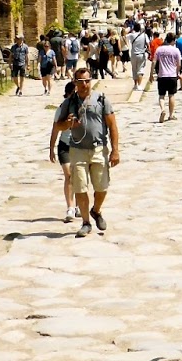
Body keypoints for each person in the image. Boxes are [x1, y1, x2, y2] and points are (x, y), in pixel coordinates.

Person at [48, 68, 119, 236]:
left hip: (98, 148)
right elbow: (58, 125)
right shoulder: (69, 102)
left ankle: (96, 210)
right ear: (75, 83)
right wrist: (68, 124)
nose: (84, 85)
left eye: (87, 81)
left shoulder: (101, 99)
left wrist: (115, 150)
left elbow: (112, 125)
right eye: (80, 82)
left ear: (91, 81)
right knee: (80, 187)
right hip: (77, 150)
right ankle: (86, 222)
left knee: (102, 186)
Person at [54, 79, 78, 220]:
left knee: (79, 177)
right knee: (69, 175)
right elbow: (55, 128)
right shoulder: (62, 108)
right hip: (65, 145)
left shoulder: (85, 107)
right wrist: (51, 148)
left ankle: (78, 206)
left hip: (80, 145)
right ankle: (70, 207)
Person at [152, 31, 182, 123]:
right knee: (171, 95)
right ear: (173, 41)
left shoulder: (159, 49)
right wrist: (177, 73)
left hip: (162, 75)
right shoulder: (176, 50)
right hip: (172, 75)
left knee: (161, 96)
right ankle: (171, 114)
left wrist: (150, 74)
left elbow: (154, 62)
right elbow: (179, 64)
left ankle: (162, 110)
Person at [129, 24, 150, 93]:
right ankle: (139, 85)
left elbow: (124, 35)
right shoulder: (144, 35)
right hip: (141, 54)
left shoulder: (131, 35)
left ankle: (135, 85)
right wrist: (149, 52)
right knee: (140, 69)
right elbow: (148, 44)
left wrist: (130, 30)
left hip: (133, 54)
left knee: (134, 69)